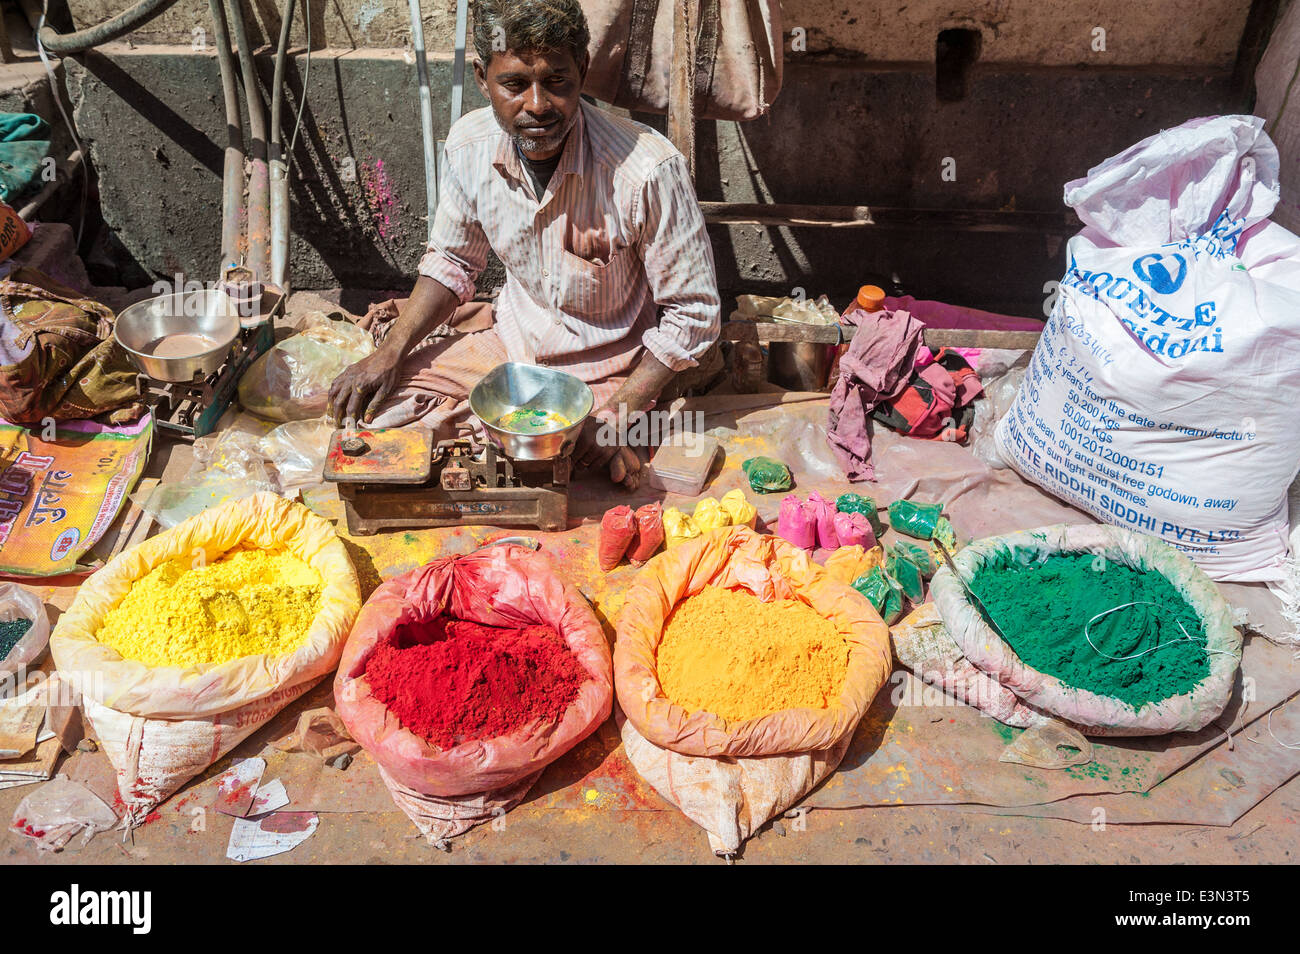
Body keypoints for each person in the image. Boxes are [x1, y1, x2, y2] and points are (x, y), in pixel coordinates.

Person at [327, 0, 721, 489]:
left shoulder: (649, 170)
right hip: (510, 349)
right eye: (514, 85)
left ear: (583, 70)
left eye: (557, 81)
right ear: (482, 78)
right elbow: (452, 261)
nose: (537, 105)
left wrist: (621, 413)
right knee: (373, 413)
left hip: (605, 367)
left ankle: (621, 428)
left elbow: (694, 315)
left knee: (564, 462)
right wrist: (389, 351)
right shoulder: (467, 147)